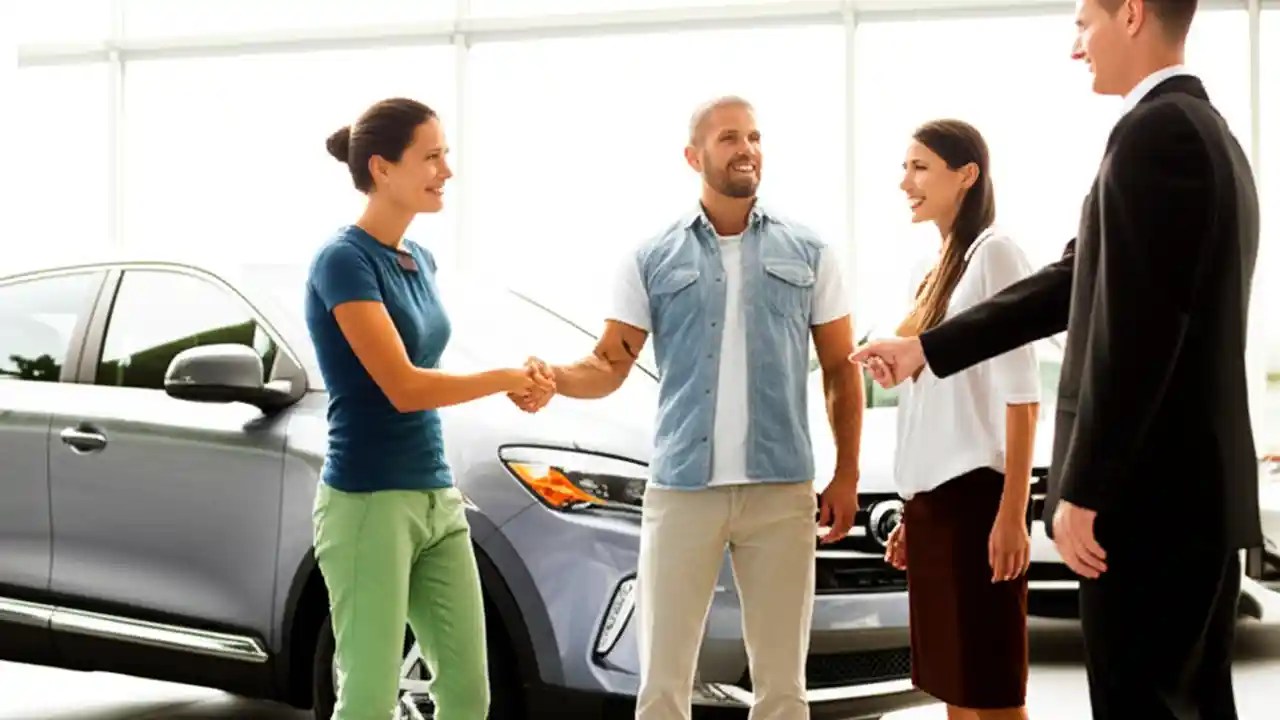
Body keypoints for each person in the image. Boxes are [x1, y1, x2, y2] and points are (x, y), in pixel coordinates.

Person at [852, 2, 1262, 718]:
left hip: (1147, 509)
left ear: (1131, 13)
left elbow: (1139, 335)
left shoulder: (1154, 134)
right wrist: (926, 349)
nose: (1078, 47)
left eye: (1085, 25)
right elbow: (1075, 281)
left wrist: (1087, 488)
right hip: (1189, 502)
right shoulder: (1204, 132)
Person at [513, 95, 864, 720]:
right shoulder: (651, 258)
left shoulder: (811, 252)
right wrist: (552, 379)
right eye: (730, 138)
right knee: (663, 684)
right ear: (693, 155)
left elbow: (841, 367)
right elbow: (608, 364)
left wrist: (847, 473)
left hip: (781, 490)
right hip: (682, 490)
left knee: (783, 686)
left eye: (754, 137)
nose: (747, 150)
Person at [305, 97, 555, 720]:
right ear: (384, 168)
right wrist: (504, 378)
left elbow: (427, 371)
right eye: (432, 155)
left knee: (469, 693)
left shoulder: (420, 260)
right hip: (368, 502)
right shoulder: (344, 260)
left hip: (434, 496)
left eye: (446, 154)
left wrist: (524, 377)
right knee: (366, 697)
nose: (447, 169)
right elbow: (404, 387)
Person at [877, 119, 1038, 720]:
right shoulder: (939, 267)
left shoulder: (996, 254)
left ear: (965, 175)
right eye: (905, 167)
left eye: (919, 167)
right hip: (939, 507)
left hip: (978, 503)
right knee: (957, 692)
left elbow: (1022, 397)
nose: (905, 182)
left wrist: (1012, 514)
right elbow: (933, 409)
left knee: (992, 693)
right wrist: (916, 511)